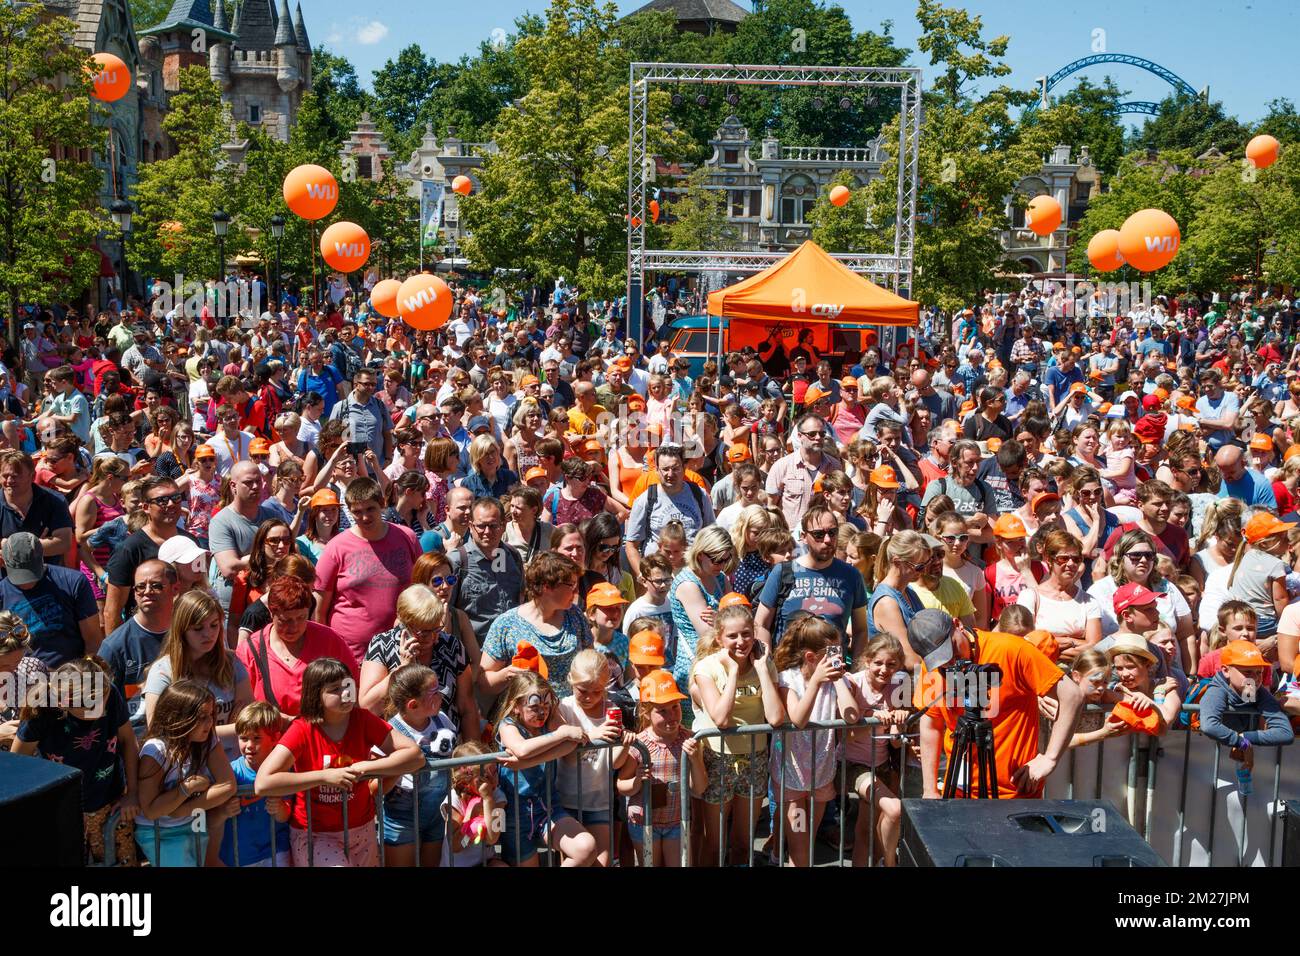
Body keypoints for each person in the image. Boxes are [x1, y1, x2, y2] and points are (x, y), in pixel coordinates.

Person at [254, 657, 424, 868]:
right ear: (316, 694)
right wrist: (324, 776)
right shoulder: (303, 728)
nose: (346, 693)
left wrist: (365, 767)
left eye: (349, 685)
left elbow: (415, 756)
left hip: (362, 829)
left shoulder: (362, 719)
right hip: (314, 834)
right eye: (335, 689)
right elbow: (263, 782)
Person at [909, 609, 1083, 800]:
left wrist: (1049, 758)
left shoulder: (1011, 649)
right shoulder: (934, 667)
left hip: (1015, 793)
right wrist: (930, 789)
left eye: (953, 648)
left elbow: (1072, 695)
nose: (950, 661)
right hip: (958, 791)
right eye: (941, 659)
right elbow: (931, 723)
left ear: (957, 625)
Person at [12, 657, 139, 865]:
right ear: (65, 703)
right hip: (62, 812)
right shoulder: (42, 710)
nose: (101, 711)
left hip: (110, 805)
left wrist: (132, 792)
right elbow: (18, 763)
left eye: (103, 702)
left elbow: (127, 739)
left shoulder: (109, 692)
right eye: (92, 708)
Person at [690, 603, 784, 867]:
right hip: (717, 758)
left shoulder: (764, 665)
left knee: (743, 842)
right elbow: (720, 718)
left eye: (746, 634)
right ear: (719, 637)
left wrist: (763, 669)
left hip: (754, 757)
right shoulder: (707, 667)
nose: (741, 642)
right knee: (714, 843)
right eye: (732, 636)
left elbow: (776, 718)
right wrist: (732, 671)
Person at [490, 669, 598, 866]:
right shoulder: (508, 725)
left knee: (586, 848)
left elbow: (572, 743)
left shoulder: (549, 720)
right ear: (516, 706)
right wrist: (562, 733)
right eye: (534, 707)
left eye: (546, 706)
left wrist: (528, 762)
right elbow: (521, 749)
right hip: (515, 815)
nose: (542, 712)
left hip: (548, 808)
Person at [771, 615, 855, 868]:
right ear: (811, 657)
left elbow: (851, 716)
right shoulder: (788, 679)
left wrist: (839, 680)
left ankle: (776, 849)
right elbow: (798, 719)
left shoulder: (837, 681)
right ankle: (777, 851)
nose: (838, 657)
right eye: (832, 652)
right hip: (792, 775)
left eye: (839, 650)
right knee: (800, 847)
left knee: (807, 836)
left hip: (822, 774)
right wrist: (816, 682)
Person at [314, 477, 422, 667]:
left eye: (370, 509)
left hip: (402, 649)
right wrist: (325, 653)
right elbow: (319, 610)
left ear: (381, 504)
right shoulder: (335, 548)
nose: (364, 517)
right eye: (357, 512)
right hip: (351, 656)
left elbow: (421, 586)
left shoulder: (407, 537)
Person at [134, 680, 239, 867]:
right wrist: (186, 789)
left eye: (211, 715)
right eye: (201, 717)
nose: (209, 722)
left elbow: (227, 785)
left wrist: (184, 809)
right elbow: (151, 810)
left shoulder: (208, 738)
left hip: (193, 823)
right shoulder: (155, 751)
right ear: (178, 718)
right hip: (161, 834)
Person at [359, 584, 479, 740]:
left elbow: (467, 709)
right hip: (396, 748)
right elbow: (368, 707)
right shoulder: (382, 644)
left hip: (444, 749)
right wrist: (402, 669)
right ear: (404, 622)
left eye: (436, 629)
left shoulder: (452, 647)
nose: (432, 639)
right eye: (423, 633)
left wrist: (474, 757)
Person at [143, 589, 252, 757]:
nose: (208, 634)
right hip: (186, 766)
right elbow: (158, 733)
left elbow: (251, 721)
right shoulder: (163, 672)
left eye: (214, 625)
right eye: (198, 628)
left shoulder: (232, 663)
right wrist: (232, 728)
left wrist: (189, 728)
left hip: (231, 761)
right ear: (182, 630)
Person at [556, 649, 638, 866]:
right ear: (571, 681)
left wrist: (625, 745)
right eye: (583, 690)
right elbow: (567, 755)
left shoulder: (611, 709)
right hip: (566, 799)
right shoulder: (564, 708)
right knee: (578, 859)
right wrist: (593, 736)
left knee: (603, 861)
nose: (590, 697)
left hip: (599, 800)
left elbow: (614, 763)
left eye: (597, 691)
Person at [755, 502, 869, 657]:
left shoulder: (851, 575)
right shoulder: (783, 572)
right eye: (819, 535)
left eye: (833, 532)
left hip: (832, 670)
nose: (827, 540)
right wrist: (768, 666)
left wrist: (856, 670)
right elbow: (761, 624)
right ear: (803, 537)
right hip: (789, 671)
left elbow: (861, 630)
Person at [237, 575, 357, 717]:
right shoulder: (250, 650)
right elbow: (242, 708)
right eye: (285, 620)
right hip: (272, 735)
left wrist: (344, 714)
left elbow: (352, 685)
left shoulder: (330, 640)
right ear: (271, 612)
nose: (293, 627)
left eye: (301, 618)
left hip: (321, 734)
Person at [481, 551, 593, 695]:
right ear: (547, 587)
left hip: (570, 711)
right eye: (571, 585)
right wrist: (506, 675)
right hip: (528, 712)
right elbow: (483, 683)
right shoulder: (506, 624)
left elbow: (591, 662)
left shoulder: (575, 615)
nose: (576, 591)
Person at [381, 663, 459, 867]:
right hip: (402, 815)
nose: (441, 695)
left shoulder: (442, 720)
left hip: (436, 811)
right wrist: (402, 766)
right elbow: (375, 787)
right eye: (434, 693)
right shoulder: (389, 732)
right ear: (413, 705)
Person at [627, 668, 706, 867]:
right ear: (646, 711)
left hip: (676, 822)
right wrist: (637, 779)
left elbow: (699, 788)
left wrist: (695, 759)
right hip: (644, 823)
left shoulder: (689, 739)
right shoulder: (639, 744)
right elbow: (622, 786)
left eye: (675, 707)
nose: (671, 716)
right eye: (662, 711)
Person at [841, 633, 908, 867]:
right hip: (853, 765)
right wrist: (870, 721)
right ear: (867, 660)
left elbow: (896, 743)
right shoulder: (853, 682)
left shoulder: (899, 686)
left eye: (891, 664)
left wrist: (899, 725)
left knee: (867, 829)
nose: (884, 670)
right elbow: (844, 736)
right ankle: (890, 863)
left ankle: (877, 861)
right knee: (894, 809)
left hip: (882, 764)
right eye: (878, 663)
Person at [1198, 640, 1294, 789]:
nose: (1255, 679)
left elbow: (1285, 733)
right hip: (1201, 764)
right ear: (1225, 671)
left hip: (1235, 768)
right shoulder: (1216, 690)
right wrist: (1239, 741)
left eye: (1259, 672)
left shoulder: (1255, 689)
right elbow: (1209, 726)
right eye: (1248, 672)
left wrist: (1246, 737)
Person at [0, 532, 101, 666]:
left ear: (42, 557)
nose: (27, 582)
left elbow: (93, 641)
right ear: (3, 562)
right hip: (21, 677)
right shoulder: (2, 592)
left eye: (31, 572)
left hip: (69, 674)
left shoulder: (73, 581)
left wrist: (89, 678)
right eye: (20, 575)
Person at [103, 475, 183, 630]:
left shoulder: (189, 541)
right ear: (145, 507)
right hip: (145, 640)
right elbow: (112, 611)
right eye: (162, 500)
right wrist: (117, 652)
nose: (171, 504)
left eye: (176, 497)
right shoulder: (129, 549)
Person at [624, 444, 715, 577]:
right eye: (665, 469)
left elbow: (711, 534)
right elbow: (631, 545)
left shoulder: (699, 495)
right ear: (656, 470)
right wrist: (643, 577)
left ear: (684, 468)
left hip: (694, 574)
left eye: (675, 468)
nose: (670, 474)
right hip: (658, 577)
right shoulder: (646, 500)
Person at [219, 701, 292, 867]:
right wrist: (224, 810)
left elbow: (287, 814)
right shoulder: (232, 772)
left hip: (276, 851)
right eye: (243, 738)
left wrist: (280, 808)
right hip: (239, 856)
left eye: (257, 738)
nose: (249, 746)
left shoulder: (283, 770)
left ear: (275, 738)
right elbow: (213, 813)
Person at [447, 496, 525, 649]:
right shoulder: (457, 561)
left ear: (503, 526)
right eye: (481, 526)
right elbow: (445, 611)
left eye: (493, 525)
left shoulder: (512, 556)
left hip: (511, 648)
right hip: (473, 652)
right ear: (471, 526)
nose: (487, 532)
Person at [0, 449, 75, 565]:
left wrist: (10, 546)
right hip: (5, 579)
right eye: (5, 476)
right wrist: (39, 544)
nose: (9, 481)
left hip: (46, 576)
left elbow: (63, 543)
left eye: (15, 476)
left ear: (32, 476)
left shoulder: (54, 501)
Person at [765, 414, 839, 531]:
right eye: (812, 434)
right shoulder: (782, 466)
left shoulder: (834, 466)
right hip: (791, 538)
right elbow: (771, 507)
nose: (818, 437)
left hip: (823, 536)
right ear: (799, 436)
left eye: (822, 434)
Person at [1215, 444, 1278, 509]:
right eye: (1222, 471)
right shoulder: (1216, 479)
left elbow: (1270, 515)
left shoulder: (1261, 485)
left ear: (1243, 464)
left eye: (1231, 472)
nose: (1225, 476)